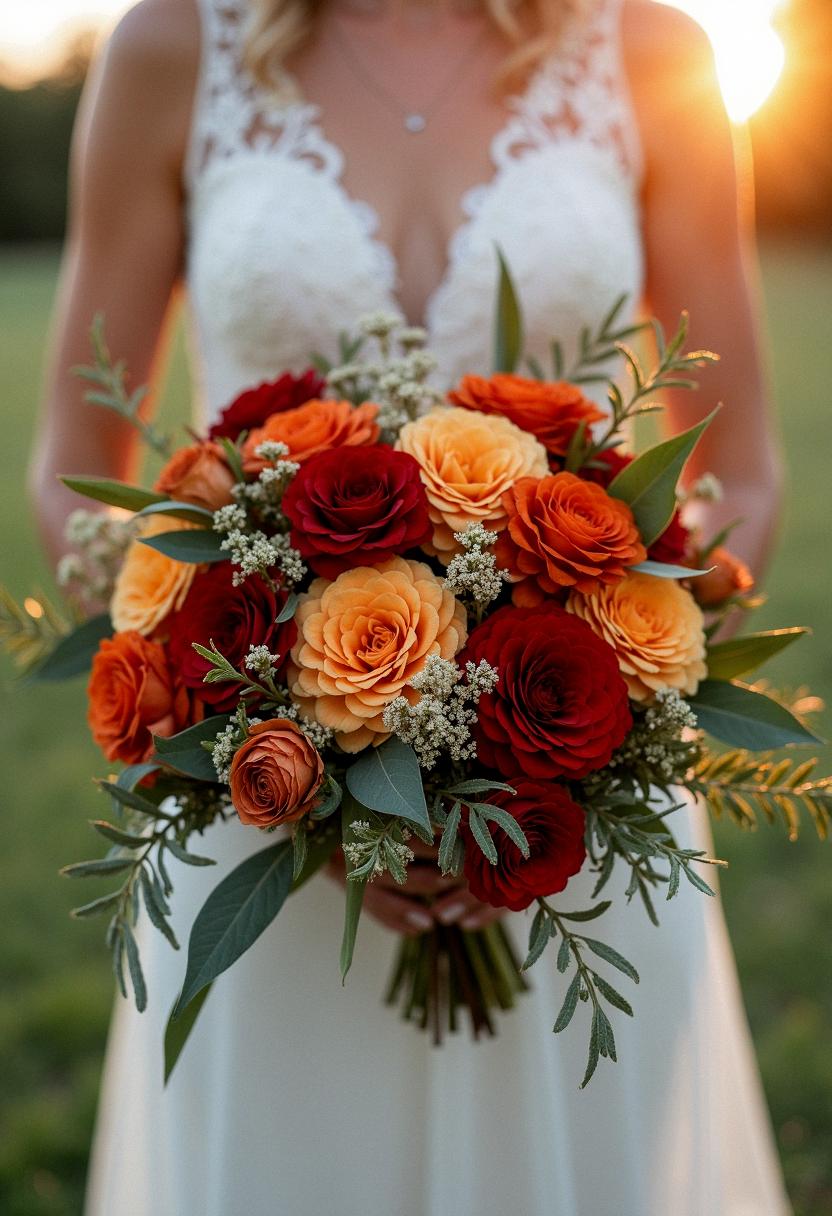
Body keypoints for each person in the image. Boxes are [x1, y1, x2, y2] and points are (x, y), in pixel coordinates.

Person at [29, 0, 791, 1211]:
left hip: (575, 813)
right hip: (267, 817)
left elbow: (739, 472)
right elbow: (72, 466)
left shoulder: (655, 55)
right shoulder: (172, 49)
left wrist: (586, 720)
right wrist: (293, 751)